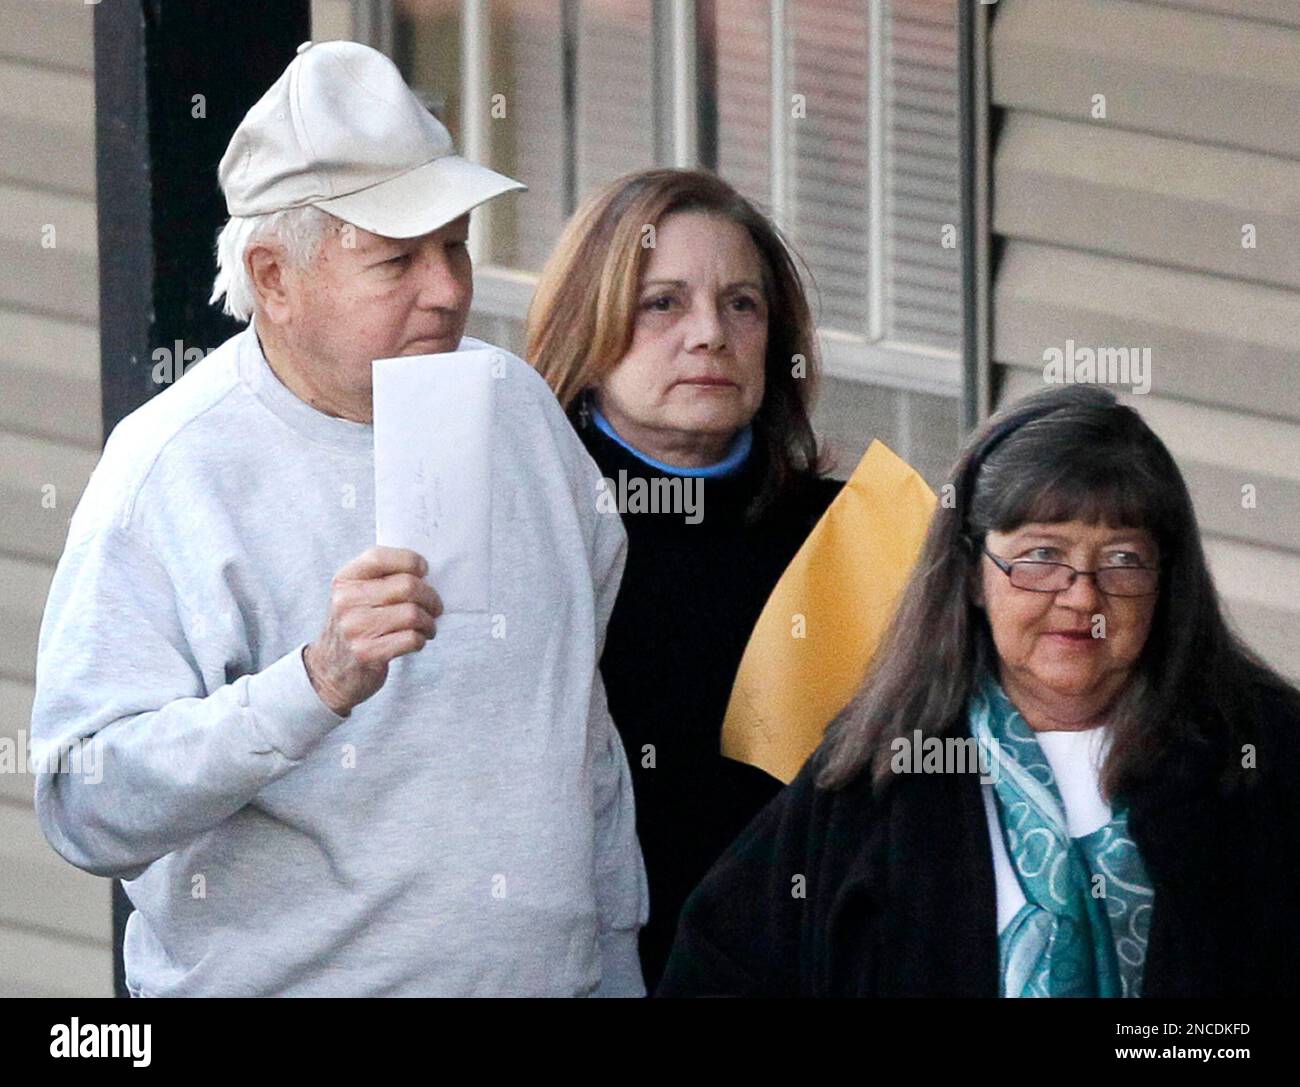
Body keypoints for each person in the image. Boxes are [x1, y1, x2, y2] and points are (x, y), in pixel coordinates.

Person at [30, 40, 647, 997]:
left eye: (455, 244)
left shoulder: (518, 413)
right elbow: (82, 801)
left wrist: (615, 965)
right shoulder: (170, 472)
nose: (447, 289)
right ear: (274, 277)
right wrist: (313, 685)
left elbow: (579, 734)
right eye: (398, 259)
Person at [659, 384, 1300, 997]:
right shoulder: (879, 773)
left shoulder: (1263, 761)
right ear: (970, 574)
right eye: (1041, 555)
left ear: (1168, 581)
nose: (1081, 596)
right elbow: (718, 971)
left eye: (1122, 560)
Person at [526, 168, 842, 990]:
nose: (710, 334)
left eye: (742, 303)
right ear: (587, 330)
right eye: (662, 302)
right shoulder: (523, 525)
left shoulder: (853, 537)